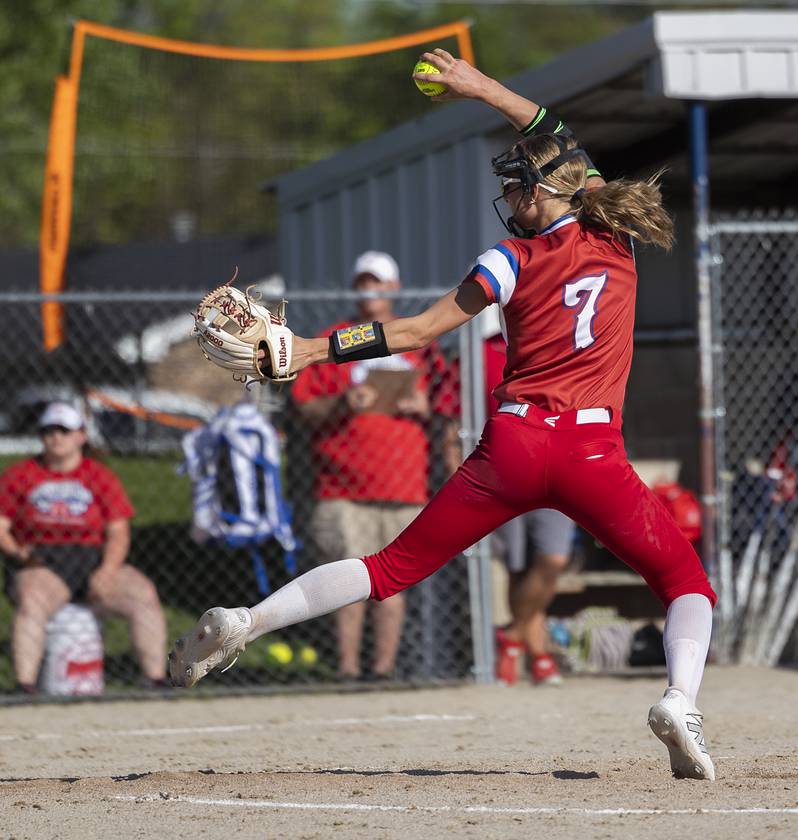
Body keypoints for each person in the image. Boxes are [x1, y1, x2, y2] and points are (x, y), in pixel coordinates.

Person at [170, 50, 717, 781]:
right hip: (591, 453)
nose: (511, 198)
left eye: (518, 186)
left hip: (514, 444)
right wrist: (479, 85)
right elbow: (553, 129)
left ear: (544, 191)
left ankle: (249, 622)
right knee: (687, 585)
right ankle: (680, 700)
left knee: (391, 567)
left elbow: (417, 331)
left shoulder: (511, 258)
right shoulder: (612, 238)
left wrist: (310, 348)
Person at [292, 251, 447, 680]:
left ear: (394, 288)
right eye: (363, 282)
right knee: (347, 586)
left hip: (403, 488)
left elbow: (449, 400)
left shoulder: (416, 342)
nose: (370, 291)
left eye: (378, 283)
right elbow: (305, 407)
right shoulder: (333, 339)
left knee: (390, 587)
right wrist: (342, 402)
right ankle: (346, 670)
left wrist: (424, 405)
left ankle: (382, 671)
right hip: (344, 490)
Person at [443, 307, 575, 686]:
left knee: (552, 559)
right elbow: (452, 422)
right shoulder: (481, 352)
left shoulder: (557, 348)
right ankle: (538, 655)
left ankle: (513, 637)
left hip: (557, 464)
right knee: (519, 567)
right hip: (502, 470)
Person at [0, 402, 168, 693]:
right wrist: (18, 553)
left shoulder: (98, 476)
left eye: (64, 430)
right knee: (33, 601)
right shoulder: (21, 474)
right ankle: (25, 686)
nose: (56, 437)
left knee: (144, 595)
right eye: (49, 430)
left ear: (80, 436)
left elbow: (118, 532)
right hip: (42, 559)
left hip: (92, 557)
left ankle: (155, 680)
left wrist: (108, 570)